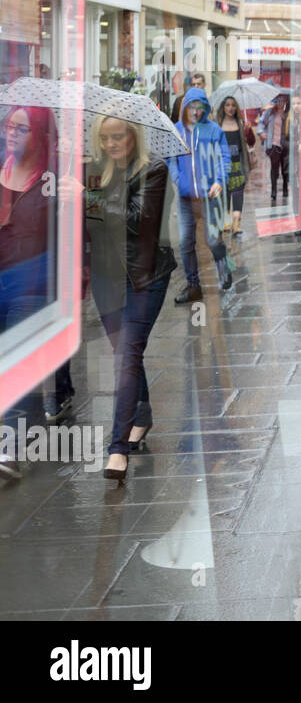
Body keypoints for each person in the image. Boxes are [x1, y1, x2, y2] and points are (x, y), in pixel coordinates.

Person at [79, 117, 176, 481]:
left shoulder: (154, 169)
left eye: (117, 136)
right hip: (106, 277)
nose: (110, 144)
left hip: (143, 276)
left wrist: (88, 198)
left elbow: (139, 220)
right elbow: (87, 224)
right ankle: (143, 415)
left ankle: (117, 448)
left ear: (134, 136)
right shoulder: (92, 170)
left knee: (126, 355)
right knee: (128, 351)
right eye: (104, 138)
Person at [0, 106, 58, 480]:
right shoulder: (1, 171)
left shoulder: (51, 181)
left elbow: (64, 237)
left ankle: (9, 449)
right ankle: (33, 425)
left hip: (33, 284)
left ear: (38, 136)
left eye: (23, 129)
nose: (13, 133)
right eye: (10, 126)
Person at [170, 87, 232, 301]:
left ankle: (224, 272)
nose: (195, 111)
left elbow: (224, 158)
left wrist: (219, 181)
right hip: (186, 199)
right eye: (191, 107)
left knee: (213, 240)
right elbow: (172, 159)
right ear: (185, 107)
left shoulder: (214, 131)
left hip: (209, 197)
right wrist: (178, 179)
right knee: (185, 242)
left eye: (199, 107)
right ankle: (193, 285)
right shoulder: (176, 130)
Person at [215, 96, 251, 238]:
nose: (230, 108)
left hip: (238, 164)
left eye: (233, 105)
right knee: (225, 194)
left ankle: (236, 224)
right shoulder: (217, 124)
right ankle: (226, 222)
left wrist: (248, 131)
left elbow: (251, 142)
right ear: (223, 107)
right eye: (228, 105)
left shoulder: (241, 123)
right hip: (223, 165)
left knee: (238, 193)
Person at [258, 94, 291, 206]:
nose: (280, 103)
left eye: (282, 101)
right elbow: (261, 123)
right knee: (274, 168)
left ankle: (285, 188)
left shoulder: (288, 114)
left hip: (285, 145)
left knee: (285, 168)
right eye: (278, 101)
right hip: (274, 145)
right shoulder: (270, 113)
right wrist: (261, 132)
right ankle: (273, 191)